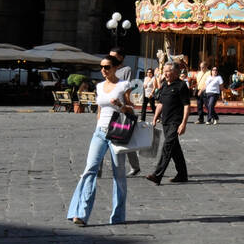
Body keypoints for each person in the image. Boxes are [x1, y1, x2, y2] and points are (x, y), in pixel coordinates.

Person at [66, 58, 135, 225]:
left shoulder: (124, 85)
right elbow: (99, 109)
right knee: (90, 169)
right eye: (102, 67)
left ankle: (118, 216)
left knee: (119, 175)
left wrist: (120, 105)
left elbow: (132, 110)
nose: (103, 70)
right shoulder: (98, 86)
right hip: (100, 133)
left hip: (118, 133)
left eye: (107, 67)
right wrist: (98, 126)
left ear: (115, 68)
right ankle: (80, 213)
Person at [146, 61, 190, 185]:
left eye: (168, 71)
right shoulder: (164, 85)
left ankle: (157, 175)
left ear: (176, 72)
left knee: (167, 147)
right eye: (164, 71)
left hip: (175, 122)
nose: (165, 73)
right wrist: (155, 117)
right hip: (165, 121)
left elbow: (187, 106)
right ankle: (182, 174)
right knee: (175, 149)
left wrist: (183, 124)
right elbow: (161, 103)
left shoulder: (181, 86)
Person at [108, 47, 142, 176]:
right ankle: (96, 169)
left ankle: (135, 166)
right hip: (110, 107)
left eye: (114, 56)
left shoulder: (126, 70)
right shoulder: (109, 68)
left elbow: (126, 87)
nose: (110, 58)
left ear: (121, 57)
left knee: (125, 138)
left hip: (121, 107)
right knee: (105, 137)